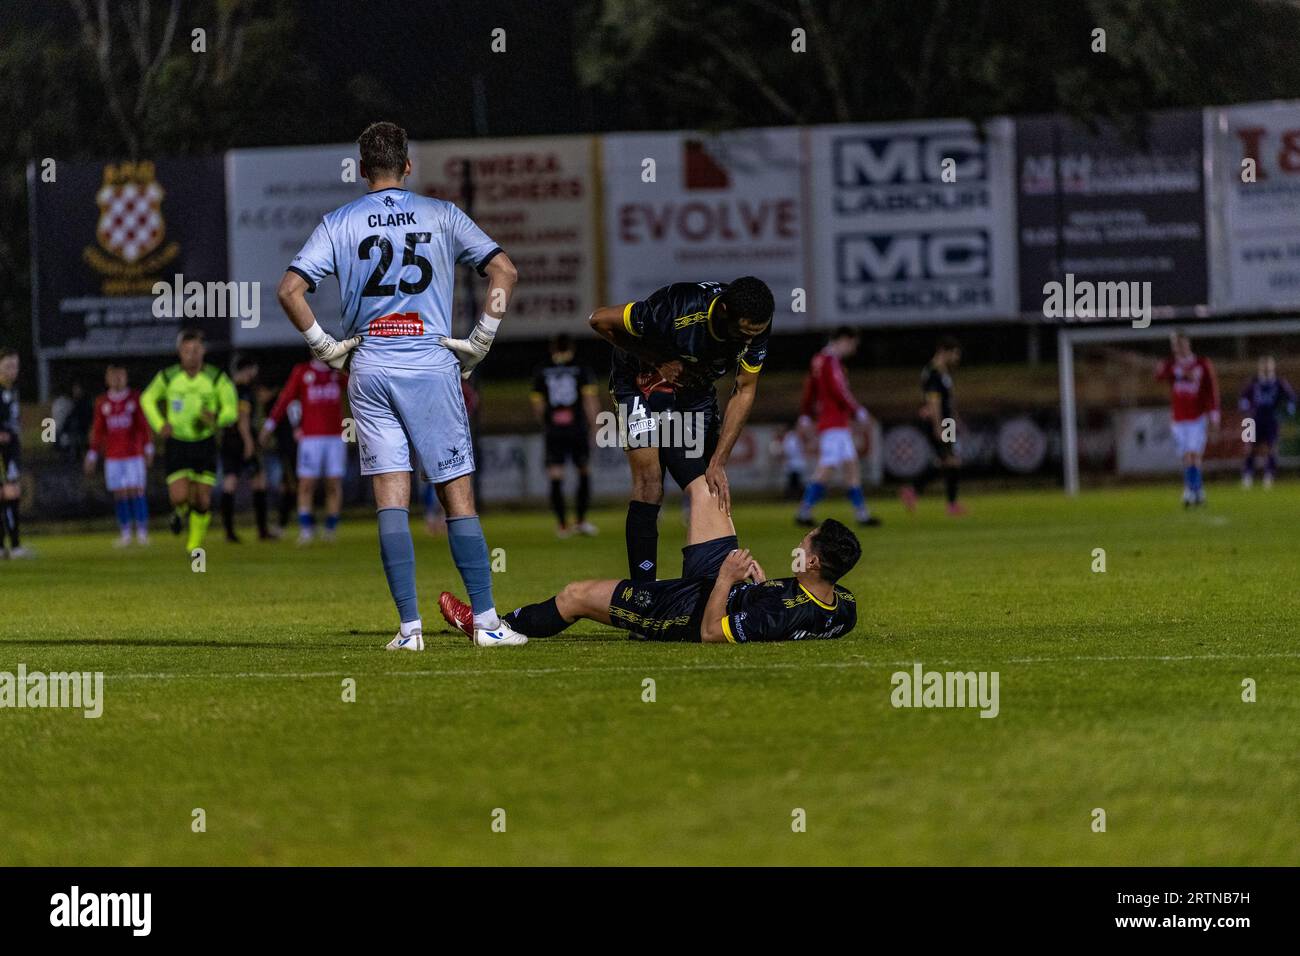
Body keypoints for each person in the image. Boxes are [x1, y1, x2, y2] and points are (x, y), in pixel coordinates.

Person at [276, 120, 524, 649]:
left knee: (391, 498)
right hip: (431, 363)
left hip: (369, 365)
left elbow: (290, 291)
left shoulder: (338, 222)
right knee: (457, 497)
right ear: (408, 166)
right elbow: (505, 271)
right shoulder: (441, 214)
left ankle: (410, 629)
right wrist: (482, 336)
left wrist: (324, 346)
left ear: (362, 169)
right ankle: (486, 623)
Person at [587, 277, 774, 582]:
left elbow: (745, 390)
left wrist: (719, 461)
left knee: (709, 484)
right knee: (649, 483)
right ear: (724, 311)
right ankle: (642, 595)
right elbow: (598, 320)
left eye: (756, 334)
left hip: (692, 390)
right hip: (639, 383)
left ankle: (711, 586)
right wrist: (658, 361)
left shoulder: (756, 326)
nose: (748, 341)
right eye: (743, 333)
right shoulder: (675, 308)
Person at [439, 518, 860, 645]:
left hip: (680, 611)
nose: (797, 546)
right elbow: (792, 611)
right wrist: (759, 586)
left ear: (816, 561)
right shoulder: (843, 605)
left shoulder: (779, 611)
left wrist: (727, 580)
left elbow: (711, 632)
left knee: (575, 596)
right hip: (703, 596)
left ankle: (487, 625)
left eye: (804, 545)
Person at [140, 329, 239, 552]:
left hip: (205, 443)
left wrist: (217, 418)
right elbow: (147, 398)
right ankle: (179, 512)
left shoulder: (216, 378)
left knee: (202, 500)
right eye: (187, 351)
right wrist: (159, 424)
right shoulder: (168, 376)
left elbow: (231, 410)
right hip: (177, 443)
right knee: (180, 496)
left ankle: (193, 546)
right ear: (180, 352)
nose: (192, 355)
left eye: (196, 350)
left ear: (203, 351)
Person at [795, 326, 879, 527]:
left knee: (851, 466)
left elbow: (810, 389)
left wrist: (806, 414)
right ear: (844, 340)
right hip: (834, 423)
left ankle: (862, 514)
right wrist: (858, 410)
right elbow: (839, 389)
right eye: (852, 344)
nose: (853, 349)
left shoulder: (818, 360)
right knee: (828, 466)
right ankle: (804, 511)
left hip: (833, 422)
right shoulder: (830, 361)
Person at [261, 357, 348, 544]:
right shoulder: (302, 371)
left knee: (333, 484)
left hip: (335, 436)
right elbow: (286, 399)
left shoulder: (338, 372)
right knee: (306, 484)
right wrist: (269, 425)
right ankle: (306, 528)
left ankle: (330, 528)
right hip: (310, 438)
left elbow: (359, 388)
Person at [530, 333, 600, 537]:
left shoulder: (542, 370)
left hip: (555, 429)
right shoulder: (581, 368)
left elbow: (538, 405)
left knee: (556, 474)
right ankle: (580, 521)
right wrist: (595, 426)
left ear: (552, 348)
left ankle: (562, 525)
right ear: (571, 347)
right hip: (577, 428)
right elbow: (589, 401)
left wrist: (546, 423)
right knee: (584, 470)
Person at [84, 364, 154, 546]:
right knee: (120, 493)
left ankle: (142, 532)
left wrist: (148, 448)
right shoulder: (102, 402)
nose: (117, 379)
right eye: (113, 376)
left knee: (136, 490)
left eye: (120, 375)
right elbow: (98, 430)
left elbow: (143, 426)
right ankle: (125, 532)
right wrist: (92, 454)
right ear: (107, 379)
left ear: (126, 377)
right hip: (113, 456)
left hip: (133, 454)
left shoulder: (135, 398)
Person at [901, 336, 965, 516]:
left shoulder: (943, 372)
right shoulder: (933, 373)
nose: (957, 359)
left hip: (948, 421)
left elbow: (947, 401)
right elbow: (934, 402)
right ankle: (949, 504)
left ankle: (916, 491)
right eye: (955, 354)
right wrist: (938, 426)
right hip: (941, 422)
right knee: (951, 461)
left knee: (949, 462)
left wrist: (956, 419)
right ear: (944, 351)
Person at [1156, 331, 1220, 507]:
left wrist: (1214, 415)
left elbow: (1211, 390)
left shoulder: (1201, 364)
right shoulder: (1171, 365)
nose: (1178, 347)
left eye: (1180, 343)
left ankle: (1191, 491)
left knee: (1194, 454)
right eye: (1175, 344)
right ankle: (1196, 490)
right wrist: (1179, 374)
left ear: (1187, 344)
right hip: (1178, 417)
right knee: (1186, 456)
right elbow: (1159, 376)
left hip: (1197, 417)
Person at [219, 358, 271, 543]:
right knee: (258, 481)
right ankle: (262, 530)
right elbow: (243, 418)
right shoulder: (243, 391)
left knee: (229, 481)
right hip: (241, 440)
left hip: (227, 439)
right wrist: (249, 442)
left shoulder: (227, 388)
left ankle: (229, 532)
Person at [1239, 355, 1296, 489]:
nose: (1266, 368)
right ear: (1259, 367)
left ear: (1273, 367)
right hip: (1252, 420)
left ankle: (1269, 475)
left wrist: (1286, 411)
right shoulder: (1253, 382)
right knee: (1249, 448)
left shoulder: (1279, 383)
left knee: (1271, 448)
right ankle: (1247, 475)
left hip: (1271, 419)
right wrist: (1245, 409)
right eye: (1263, 365)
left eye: (1268, 365)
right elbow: (1243, 398)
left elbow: (1291, 399)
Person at [0, 348, 27, 558]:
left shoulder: (14, 390)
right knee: (9, 493)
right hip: (3, 452)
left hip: (12, 450)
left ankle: (12, 546)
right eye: (8, 366)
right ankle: (11, 546)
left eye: (15, 366)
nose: (12, 370)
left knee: (12, 493)